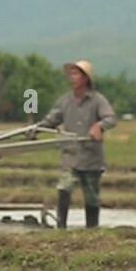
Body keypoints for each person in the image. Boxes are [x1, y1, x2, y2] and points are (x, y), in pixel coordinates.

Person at [38, 60, 116, 228]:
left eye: (76, 74)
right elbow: (52, 119)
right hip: (71, 155)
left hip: (91, 156)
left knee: (91, 197)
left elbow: (110, 118)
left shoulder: (98, 100)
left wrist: (99, 126)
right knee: (64, 188)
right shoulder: (65, 101)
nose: (72, 78)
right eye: (71, 74)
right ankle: (61, 227)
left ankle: (92, 230)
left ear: (85, 78)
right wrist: (37, 129)